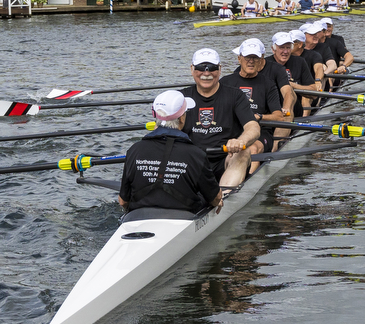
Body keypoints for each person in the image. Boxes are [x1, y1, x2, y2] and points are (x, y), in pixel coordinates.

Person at [118, 90, 221, 214]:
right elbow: (215, 199)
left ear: (155, 116)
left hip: (139, 216)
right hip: (184, 217)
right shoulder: (196, 154)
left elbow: (123, 201)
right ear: (181, 118)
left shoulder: (134, 150)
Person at [182, 48, 261, 189]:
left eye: (212, 68)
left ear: (219, 69)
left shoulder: (235, 95)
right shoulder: (180, 98)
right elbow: (162, 128)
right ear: (192, 69)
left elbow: (253, 127)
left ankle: (223, 195)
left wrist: (240, 141)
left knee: (244, 152)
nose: (206, 73)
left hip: (224, 160)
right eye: (201, 68)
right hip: (191, 162)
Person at [222, 38, 289, 169]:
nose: (251, 61)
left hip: (261, 132)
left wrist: (259, 116)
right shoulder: (225, 82)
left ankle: (250, 178)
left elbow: (279, 117)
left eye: (255, 58)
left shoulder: (268, 84)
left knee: (251, 149)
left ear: (261, 60)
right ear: (239, 59)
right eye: (247, 57)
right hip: (233, 130)